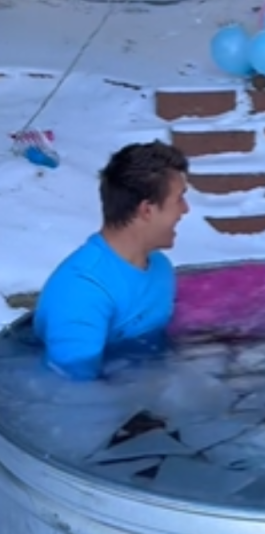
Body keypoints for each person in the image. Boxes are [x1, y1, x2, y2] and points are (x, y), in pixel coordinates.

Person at [33, 141, 190, 380]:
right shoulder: (82, 289)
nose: (185, 209)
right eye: (179, 199)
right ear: (147, 210)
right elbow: (72, 394)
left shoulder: (159, 267)